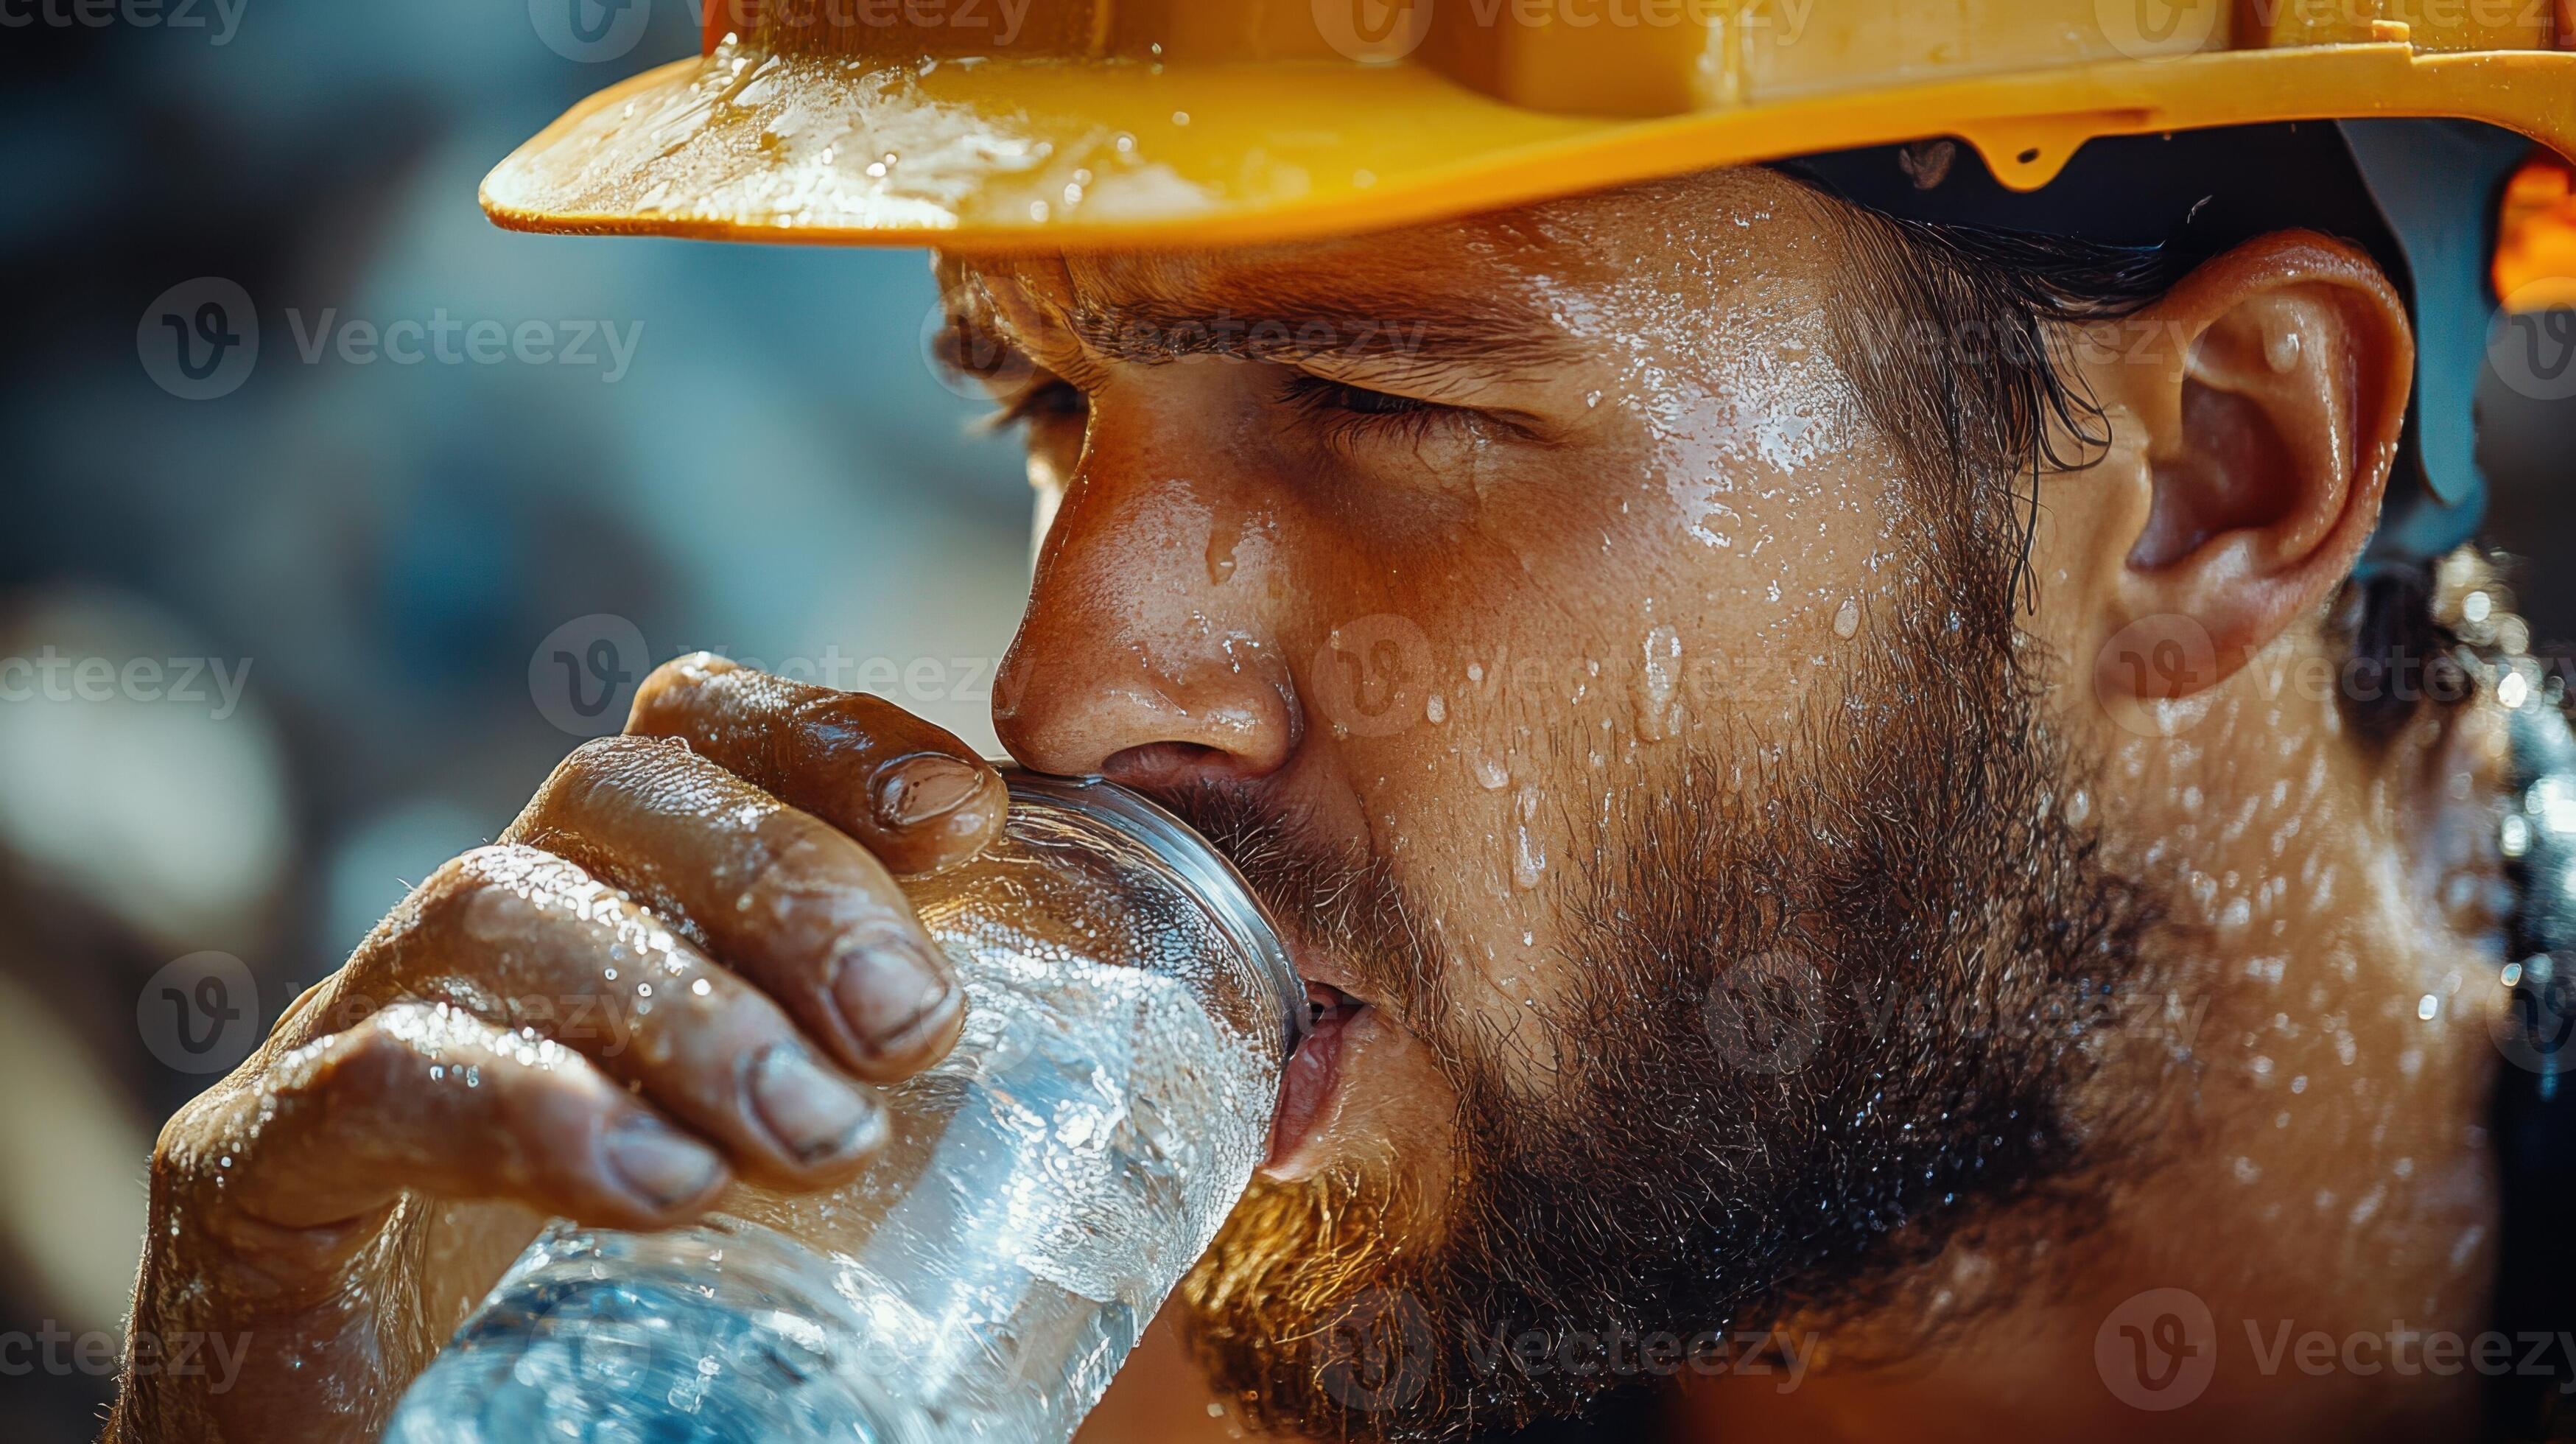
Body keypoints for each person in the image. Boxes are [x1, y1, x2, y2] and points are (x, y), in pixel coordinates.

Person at [110, 2, 2576, 1440]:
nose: (1062, 687)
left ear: (2211, 477)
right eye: (1057, 414)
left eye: (1363, 398)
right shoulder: (1023, 1324)